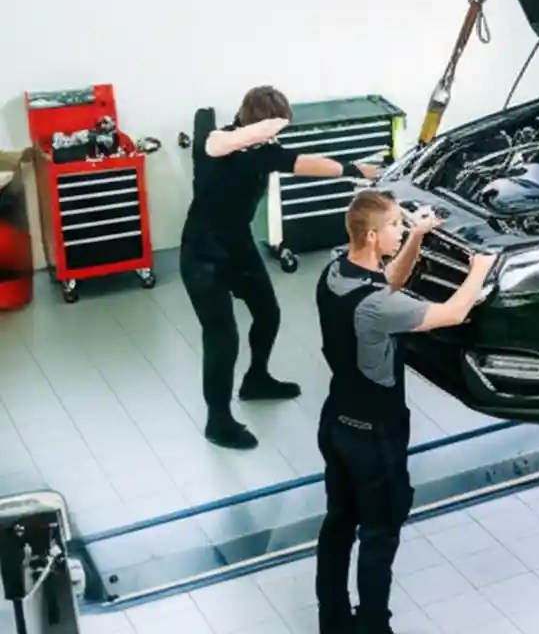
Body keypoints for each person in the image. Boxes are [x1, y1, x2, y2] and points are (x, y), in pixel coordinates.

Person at [314, 190, 495, 634]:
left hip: (336, 423)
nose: (401, 228)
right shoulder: (377, 307)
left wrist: (417, 237)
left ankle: (332, 621)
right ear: (372, 236)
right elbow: (453, 313)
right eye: (395, 224)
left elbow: (387, 282)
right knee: (379, 536)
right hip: (374, 438)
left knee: (339, 524)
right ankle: (374, 627)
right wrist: (481, 268)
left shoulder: (335, 273)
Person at [181, 85, 379, 450]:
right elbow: (224, 141)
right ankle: (217, 421)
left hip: (238, 245)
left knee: (268, 313)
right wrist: (353, 168)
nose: (277, 136)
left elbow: (303, 161)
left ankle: (256, 380)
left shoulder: (263, 152)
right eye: (275, 128)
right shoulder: (216, 145)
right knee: (222, 336)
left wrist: (358, 171)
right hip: (202, 254)